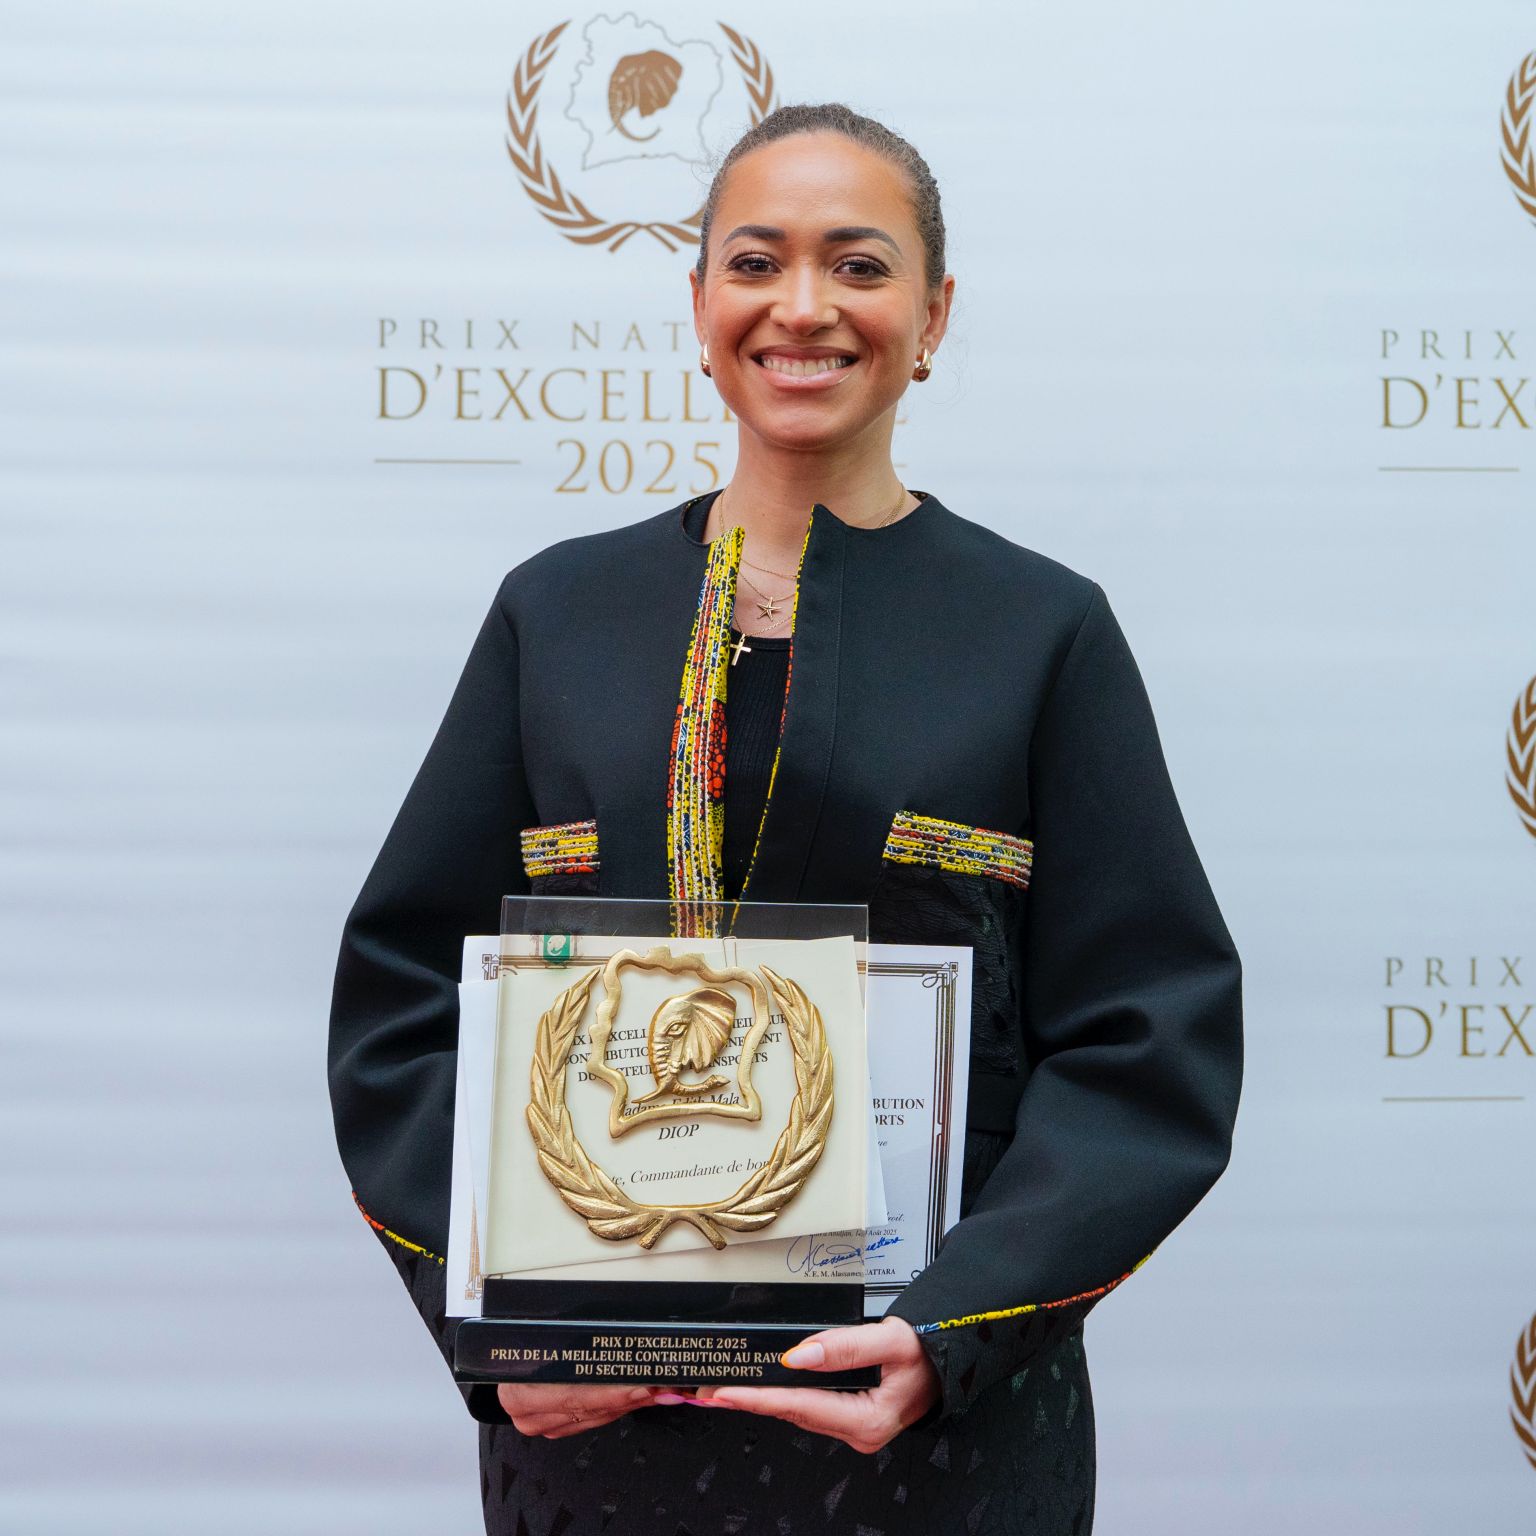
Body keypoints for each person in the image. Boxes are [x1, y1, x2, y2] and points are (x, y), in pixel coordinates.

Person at [328, 100, 1244, 1535]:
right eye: (756, 261)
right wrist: (497, 1330)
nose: (802, 306)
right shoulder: (554, 614)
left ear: (935, 313)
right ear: (698, 302)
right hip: (601, 1428)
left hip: (937, 1440)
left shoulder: (1040, 630)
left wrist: (955, 1336)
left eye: (860, 266)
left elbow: (1148, 1033)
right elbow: (399, 1004)